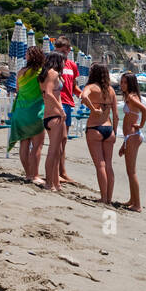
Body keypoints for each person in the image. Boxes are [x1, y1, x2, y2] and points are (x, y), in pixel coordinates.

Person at [7, 45, 48, 187]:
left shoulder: (21, 72)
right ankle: (34, 175)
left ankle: (28, 173)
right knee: (37, 145)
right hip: (35, 111)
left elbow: (18, 90)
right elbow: (44, 91)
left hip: (20, 111)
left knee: (24, 143)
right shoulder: (41, 72)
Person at [80, 63, 119, 204]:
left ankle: (103, 198)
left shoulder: (90, 87)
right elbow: (116, 115)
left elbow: (83, 97)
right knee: (108, 165)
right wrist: (114, 131)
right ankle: (109, 198)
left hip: (94, 128)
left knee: (100, 165)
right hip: (109, 130)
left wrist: (93, 109)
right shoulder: (111, 91)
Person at [117, 71, 146, 212]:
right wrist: (123, 144)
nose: (122, 84)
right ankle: (132, 199)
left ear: (130, 83)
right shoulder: (131, 96)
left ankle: (137, 205)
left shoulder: (131, 97)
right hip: (130, 137)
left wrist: (141, 124)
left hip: (133, 136)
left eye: (125, 82)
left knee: (132, 172)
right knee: (129, 171)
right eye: (121, 82)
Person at [41, 51, 67, 190]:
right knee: (53, 151)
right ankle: (49, 183)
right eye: (63, 61)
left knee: (57, 150)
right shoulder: (53, 74)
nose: (64, 63)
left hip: (50, 115)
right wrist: (61, 110)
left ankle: (55, 182)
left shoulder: (47, 74)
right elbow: (49, 93)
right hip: (55, 116)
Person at [55, 36, 80, 184]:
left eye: (63, 52)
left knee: (63, 140)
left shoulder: (72, 66)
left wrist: (83, 94)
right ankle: (58, 172)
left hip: (69, 104)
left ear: (68, 51)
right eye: (58, 52)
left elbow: (74, 86)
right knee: (59, 139)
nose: (61, 55)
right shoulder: (53, 65)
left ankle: (61, 171)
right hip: (58, 104)